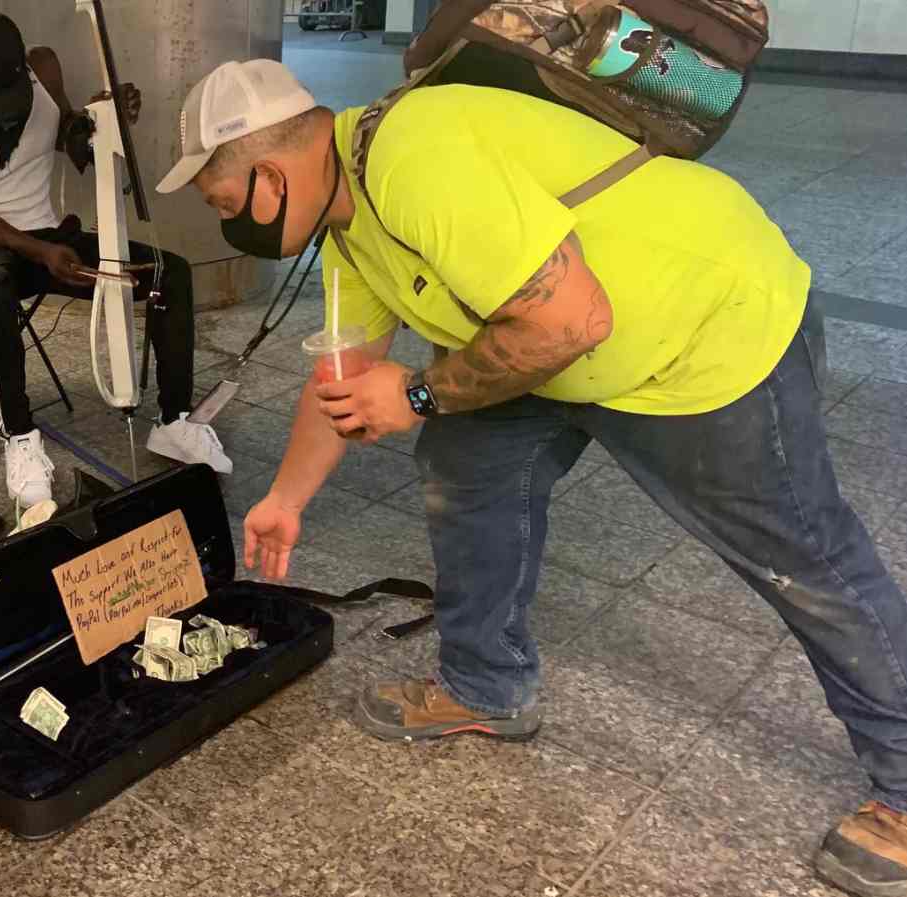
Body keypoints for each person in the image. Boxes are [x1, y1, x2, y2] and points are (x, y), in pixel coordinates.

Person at [157, 59, 907, 896]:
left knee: (801, 555)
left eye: (223, 205)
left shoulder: (414, 157)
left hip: (698, 333)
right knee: (465, 466)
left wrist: (415, 392)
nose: (227, 224)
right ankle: (485, 686)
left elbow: (571, 316)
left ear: (267, 174)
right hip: (542, 351)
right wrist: (284, 501)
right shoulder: (348, 222)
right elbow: (340, 379)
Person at [0, 11, 230, 508]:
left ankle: (173, 421)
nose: (3, 110)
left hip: (46, 237)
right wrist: (39, 251)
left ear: (25, 67)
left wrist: (102, 121)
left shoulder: (44, 70)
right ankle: (19, 437)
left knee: (168, 274)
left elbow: (71, 142)